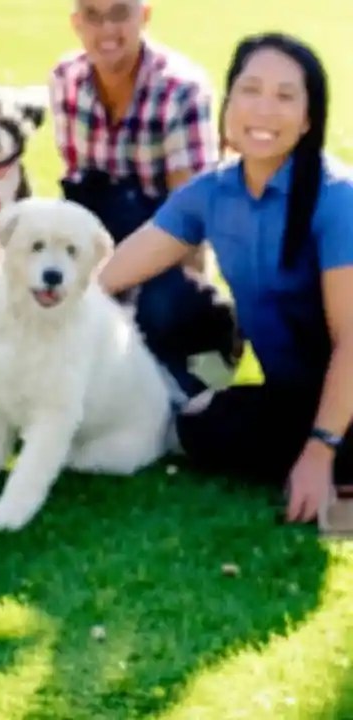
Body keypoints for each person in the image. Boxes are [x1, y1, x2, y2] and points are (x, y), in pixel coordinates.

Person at [97, 33, 353, 523]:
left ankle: (335, 488)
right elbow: (113, 273)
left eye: (285, 96)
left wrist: (321, 450)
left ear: (308, 119)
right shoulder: (210, 193)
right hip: (295, 397)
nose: (263, 109)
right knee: (197, 427)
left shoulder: (337, 200)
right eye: (250, 90)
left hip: (346, 391)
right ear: (229, 100)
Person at [49, 0, 237, 396]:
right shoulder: (65, 79)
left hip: (164, 243)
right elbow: (76, 188)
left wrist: (185, 296)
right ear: (75, 23)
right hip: (99, 230)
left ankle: (213, 341)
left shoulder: (181, 91)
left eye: (120, 13)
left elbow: (192, 219)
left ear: (145, 16)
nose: (106, 30)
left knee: (162, 310)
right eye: (92, 16)